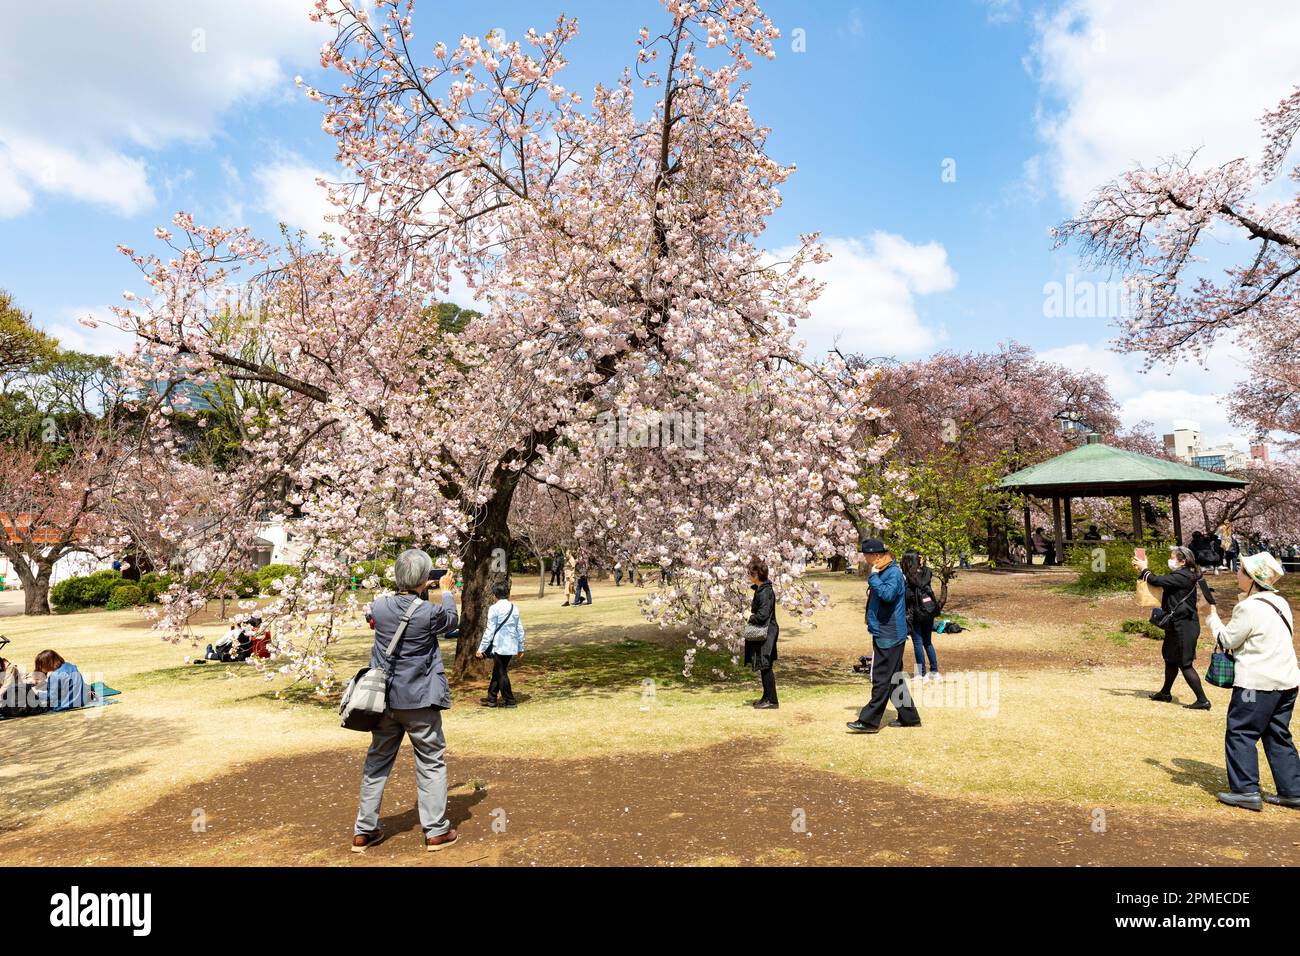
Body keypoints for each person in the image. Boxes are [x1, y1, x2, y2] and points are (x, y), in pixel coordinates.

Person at [352, 548, 460, 853]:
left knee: (377, 761)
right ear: (426, 580)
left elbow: (372, 618)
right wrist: (447, 592)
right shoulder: (429, 612)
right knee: (430, 761)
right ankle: (436, 831)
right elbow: (451, 621)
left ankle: (364, 830)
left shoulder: (380, 605)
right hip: (419, 700)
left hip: (383, 700)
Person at [1200, 552, 1300, 812]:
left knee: (1241, 732)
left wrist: (1210, 615)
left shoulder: (1248, 607)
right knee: (1278, 734)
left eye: (1242, 570)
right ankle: (1293, 791)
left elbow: (1226, 640)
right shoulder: (1280, 603)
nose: (1237, 573)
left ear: (1254, 578)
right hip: (1287, 681)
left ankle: (1245, 790)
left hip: (1256, 684)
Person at [847, 539, 921, 733]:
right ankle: (909, 717)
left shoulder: (893, 572)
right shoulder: (883, 570)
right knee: (894, 678)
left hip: (890, 633)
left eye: (866, 555)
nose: (864, 558)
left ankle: (869, 721)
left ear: (877, 555)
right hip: (884, 631)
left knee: (881, 677)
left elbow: (888, 595)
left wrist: (873, 579)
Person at [1134, 546, 1211, 709]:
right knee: (1170, 659)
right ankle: (1165, 693)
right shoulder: (1184, 574)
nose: (1171, 560)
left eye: (1173, 557)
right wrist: (1143, 570)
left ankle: (1203, 700)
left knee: (1185, 663)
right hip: (1177, 624)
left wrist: (1144, 568)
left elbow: (1156, 581)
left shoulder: (1183, 576)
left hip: (1185, 625)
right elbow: (1158, 581)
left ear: (1182, 561)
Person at [476, 579, 524, 708]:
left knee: (501, 672)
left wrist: (481, 649)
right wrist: (521, 647)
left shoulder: (494, 608)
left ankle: (510, 700)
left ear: (494, 594)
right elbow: (519, 628)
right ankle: (491, 698)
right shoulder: (514, 608)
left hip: (499, 645)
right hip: (512, 645)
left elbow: (490, 630)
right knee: (498, 671)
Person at [743, 557, 779, 709]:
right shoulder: (761, 589)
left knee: (765, 664)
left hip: (767, 631)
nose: (748, 575)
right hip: (766, 630)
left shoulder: (765, 591)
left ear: (756, 574)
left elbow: (763, 615)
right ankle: (766, 697)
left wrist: (748, 616)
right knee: (764, 665)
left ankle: (772, 701)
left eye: (750, 572)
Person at [900, 551, 940, 680]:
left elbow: (907, 596)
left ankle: (920, 673)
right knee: (928, 642)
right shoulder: (927, 572)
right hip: (928, 611)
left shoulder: (908, 577)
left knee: (917, 642)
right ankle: (934, 671)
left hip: (916, 613)